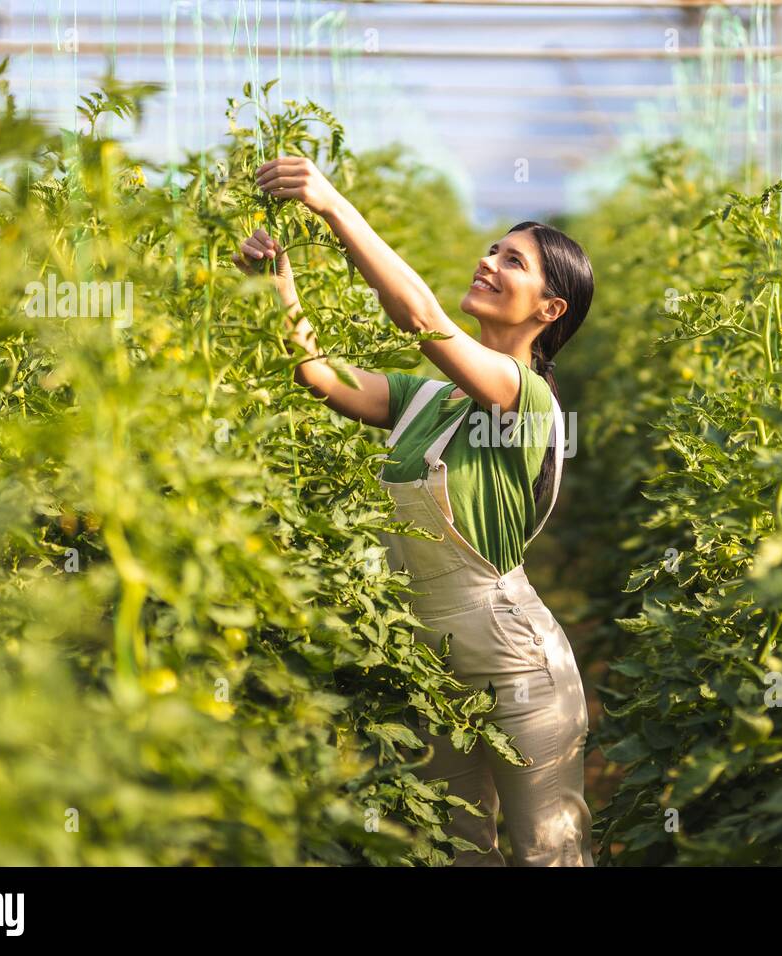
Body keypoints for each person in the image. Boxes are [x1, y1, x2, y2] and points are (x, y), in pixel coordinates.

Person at [232, 155, 595, 866]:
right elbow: (317, 375)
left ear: (549, 311)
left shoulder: (526, 400)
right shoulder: (425, 403)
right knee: (450, 850)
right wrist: (278, 289)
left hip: (516, 661)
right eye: (492, 249)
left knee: (546, 852)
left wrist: (333, 206)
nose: (488, 262)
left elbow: (422, 319)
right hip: (425, 659)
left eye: (513, 261)